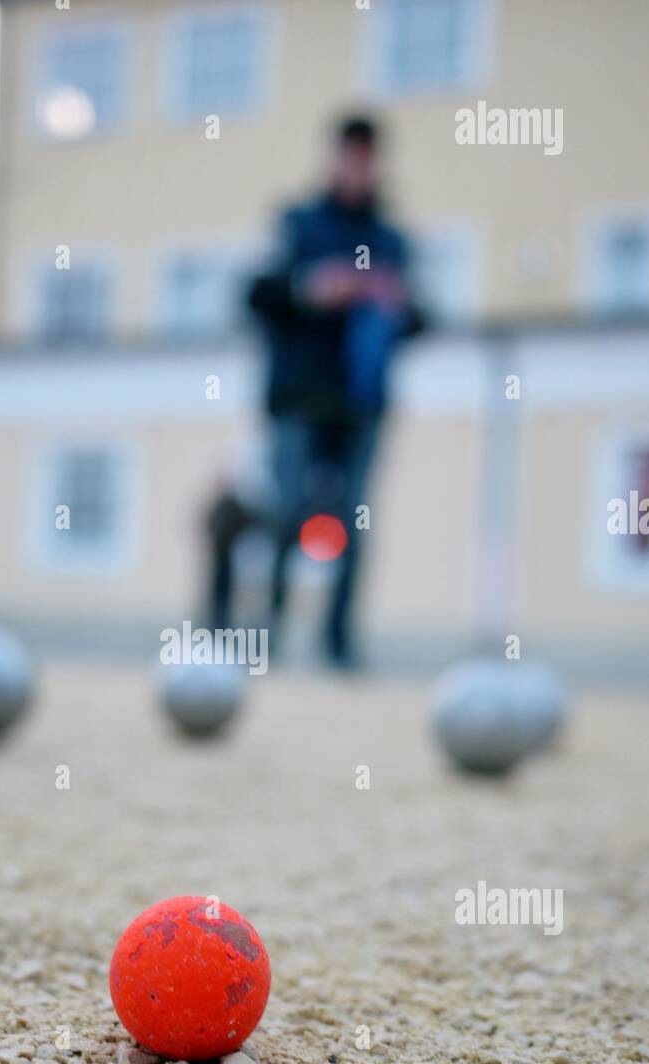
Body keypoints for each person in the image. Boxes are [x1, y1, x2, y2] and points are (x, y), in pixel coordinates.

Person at [246, 114, 422, 667]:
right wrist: (312, 289)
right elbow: (257, 294)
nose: (358, 167)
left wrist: (396, 304)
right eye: (350, 155)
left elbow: (420, 319)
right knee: (285, 511)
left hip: (360, 403)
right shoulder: (298, 225)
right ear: (334, 158)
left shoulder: (391, 241)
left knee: (356, 520)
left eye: (367, 158)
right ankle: (269, 632)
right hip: (298, 397)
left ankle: (339, 643)